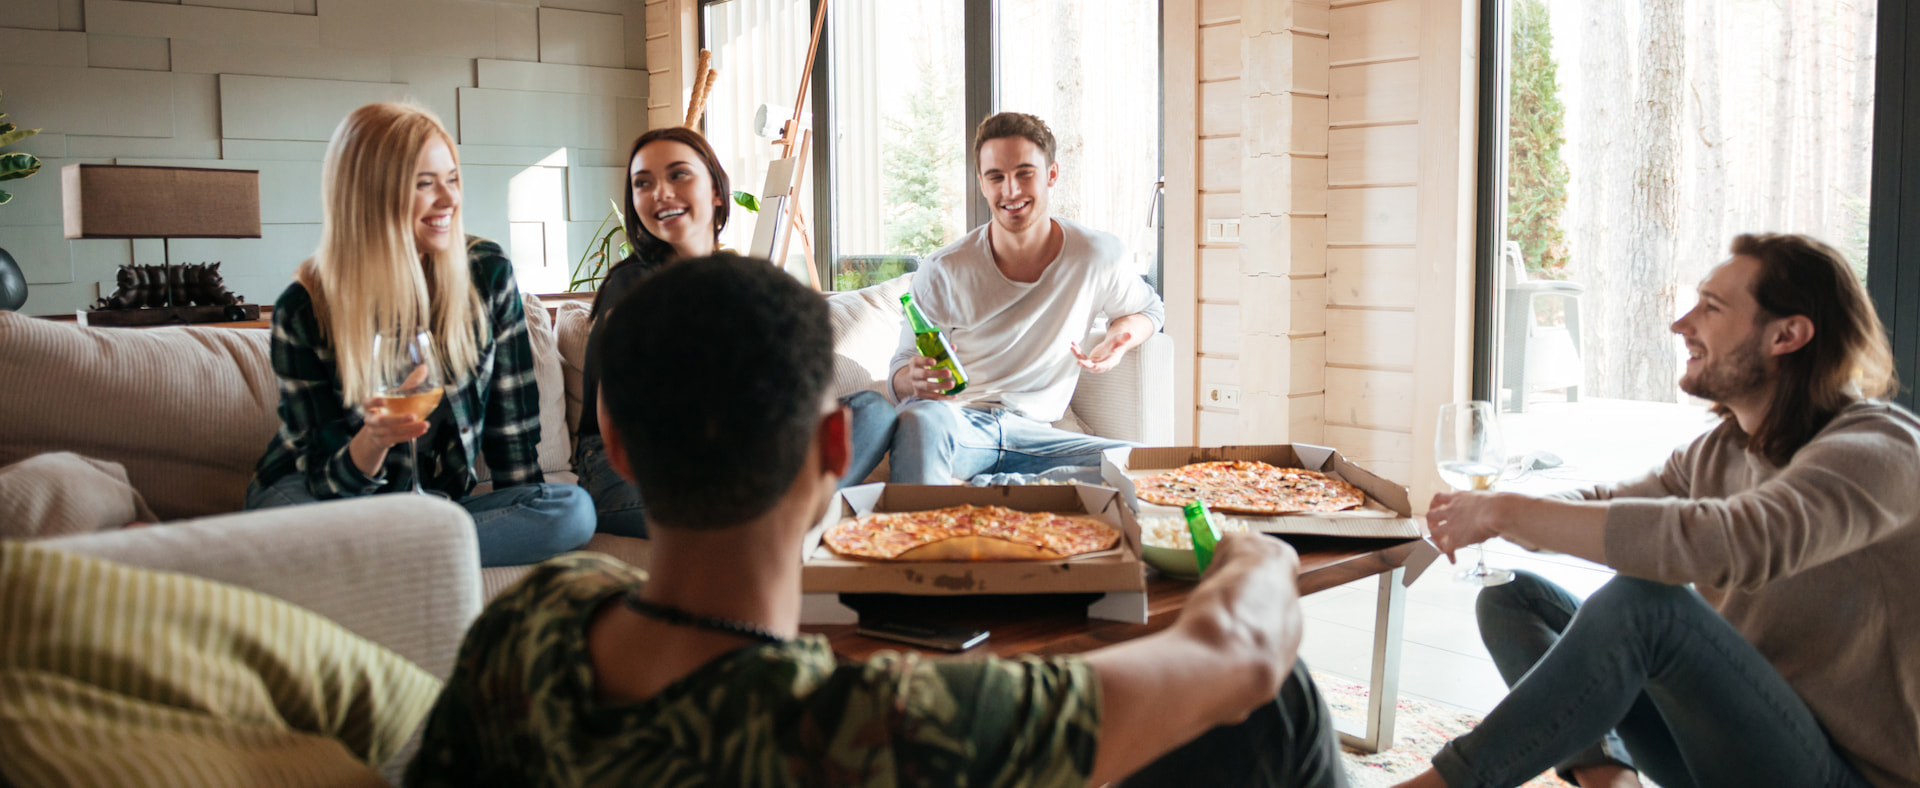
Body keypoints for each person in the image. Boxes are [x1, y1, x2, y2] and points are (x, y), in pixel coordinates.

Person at [407, 254, 1349, 787]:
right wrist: (1249, 548)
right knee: (1283, 707)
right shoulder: (875, 726)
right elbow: (1242, 653)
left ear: (611, 434)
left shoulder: (531, 625)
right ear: (832, 452)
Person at [1395, 234, 1919, 788]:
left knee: (1646, 605)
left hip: (1843, 776)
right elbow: (1608, 505)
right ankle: (1609, 781)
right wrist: (1494, 510)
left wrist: (1503, 511)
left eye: (1711, 307)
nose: (1681, 324)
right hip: (1730, 748)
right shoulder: (1724, 449)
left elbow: (1732, 542)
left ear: (1786, 334)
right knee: (1513, 597)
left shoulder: (1880, 451)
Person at [246, 102, 594, 568]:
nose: (449, 200)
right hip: (323, 500)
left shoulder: (486, 276)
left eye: (452, 179)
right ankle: (395, 556)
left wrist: (523, 514)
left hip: (429, 507)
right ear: (370, 193)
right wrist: (373, 439)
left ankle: (370, 562)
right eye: (424, 184)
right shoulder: (306, 306)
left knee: (571, 512)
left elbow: (511, 436)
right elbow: (324, 480)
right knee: (284, 527)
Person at [573, 127, 897, 538]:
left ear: (716, 193)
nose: (660, 192)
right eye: (643, 183)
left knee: (872, 411)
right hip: (629, 468)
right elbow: (615, 424)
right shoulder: (634, 286)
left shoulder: (738, 286)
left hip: (727, 456)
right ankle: (783, 514)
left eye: (678, 175)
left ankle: (780, 509)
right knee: (737, 505)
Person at [887, 112, 1165, 484]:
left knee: (1149, 468)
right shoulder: (944, 269)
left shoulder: (1096, 256)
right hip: (959, 426)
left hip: (1039, 436)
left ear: (1051, 175)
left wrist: (1122, 335)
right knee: (920, 420)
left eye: (1024, 173)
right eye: (996, 177)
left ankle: (1001, 488)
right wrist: (913, 380)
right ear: (983, 185)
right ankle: (935, 523)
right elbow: (899, 372)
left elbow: (1149, 309)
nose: (1011, 191)